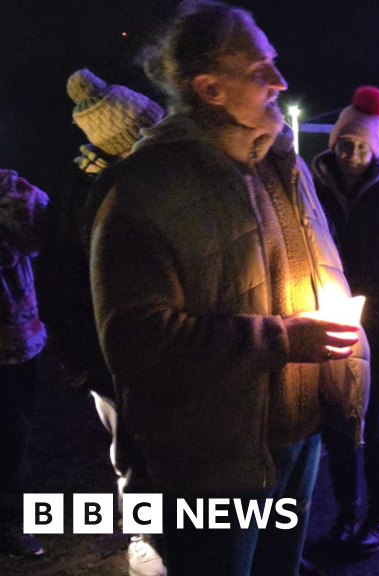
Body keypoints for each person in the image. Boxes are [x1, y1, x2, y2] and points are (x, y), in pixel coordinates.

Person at [86, 2, 369, 574]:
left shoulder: (283, 167)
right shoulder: (146, 188)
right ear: (209, 88)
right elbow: (137, 342)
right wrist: (283, 339)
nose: (280, 81)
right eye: (258, 69)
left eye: (275, 63)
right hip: (213, 462)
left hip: (298, 441)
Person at [34, 67, 167, 576]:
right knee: (132, 451)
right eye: (148, 132)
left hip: (142, 347)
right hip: (108, 354)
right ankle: (146, 539)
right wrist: (80, 359)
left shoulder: (126, 181)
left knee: (160, 447)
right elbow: (62, 283)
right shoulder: (87, 199)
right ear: (124, 140)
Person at [311, 85, 379, 556]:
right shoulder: (309, 188)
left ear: (376, 149)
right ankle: (346, 512)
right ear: (333, 143)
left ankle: (378, 516)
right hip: (325, 332)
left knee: (378, 430)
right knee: (337, 430)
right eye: (345, 144)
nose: (353, 154)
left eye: (363, 146)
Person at [0, 169, 48, 558]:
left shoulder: (9, 187)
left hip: (18, 339)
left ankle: (10, 523)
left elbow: (40, 227)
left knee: (16, 437)